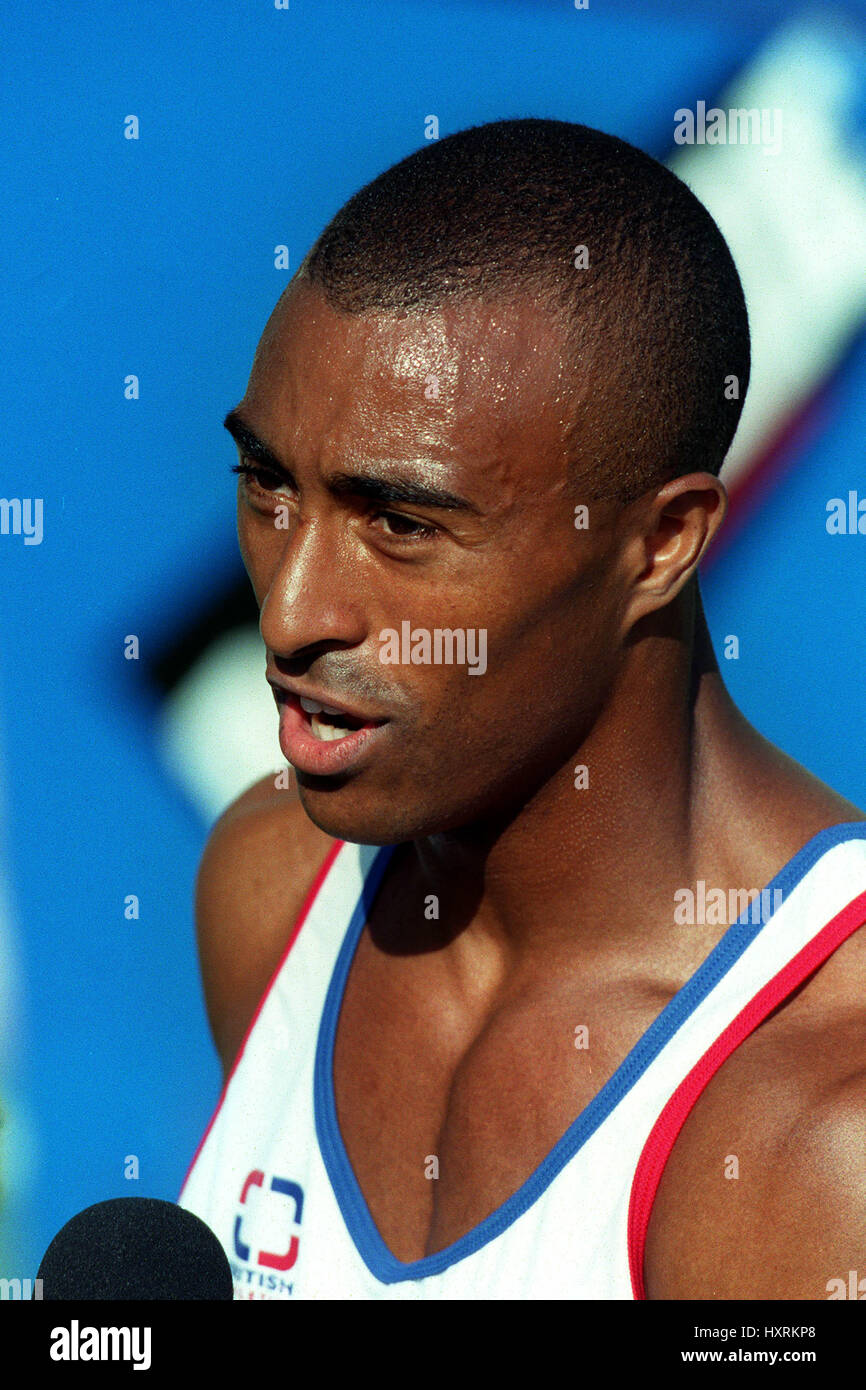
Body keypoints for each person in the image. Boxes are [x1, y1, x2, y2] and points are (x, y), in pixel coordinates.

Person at [178, 118, 866, 1299]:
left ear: (658, 543)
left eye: (399, 522)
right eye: (268, 487)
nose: (290, 614)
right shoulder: (268, 888)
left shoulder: (821, 1135)